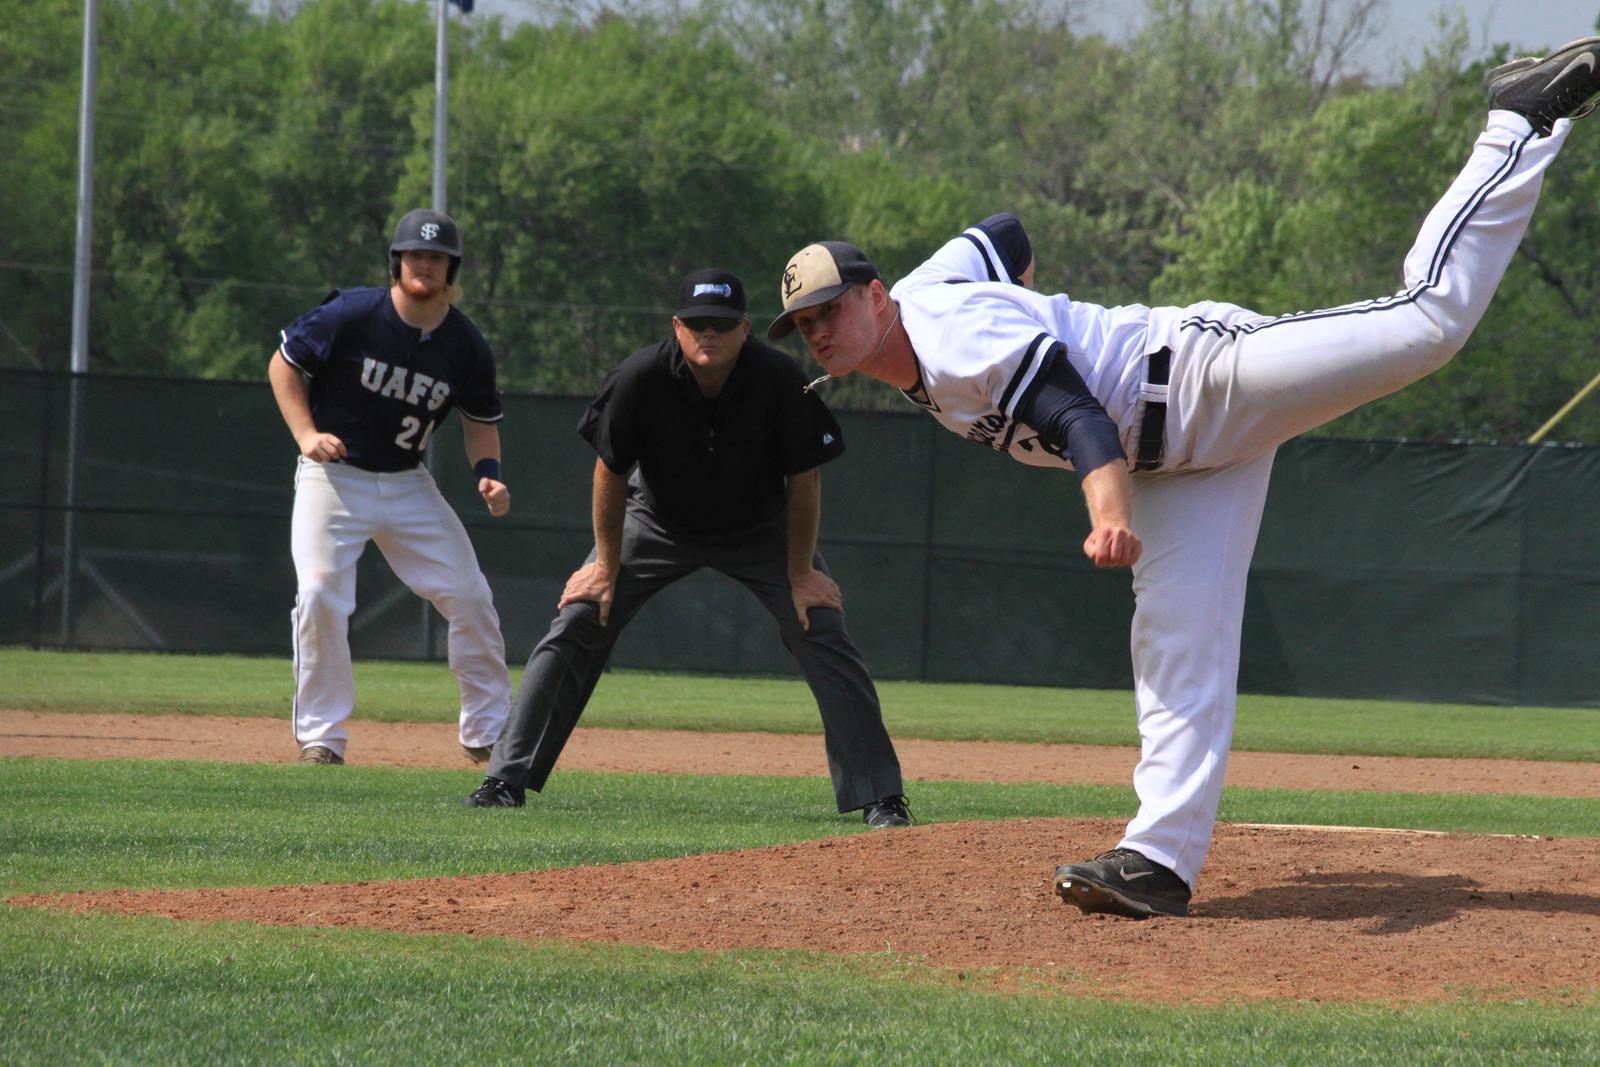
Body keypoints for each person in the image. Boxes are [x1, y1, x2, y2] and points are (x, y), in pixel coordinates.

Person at [765, 39, 1600, 916]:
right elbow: (1005, 236)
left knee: (1426, 324)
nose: (818, 331)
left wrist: (1106, 510)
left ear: (875, 295)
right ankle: (1157, 860)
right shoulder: (934, 299)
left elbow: (1078, 416)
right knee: (1176, 645)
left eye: (829, 308)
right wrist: (1035, 305)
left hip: (1203, 378)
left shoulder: (951, 340)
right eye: (803, 325)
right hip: (1182, 462)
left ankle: (1518, 119)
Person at [463, 268, 910, 826]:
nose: (709, 334)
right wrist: (604, 565)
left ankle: (881, 796)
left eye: (722, 324)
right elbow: (610, 470)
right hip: (657, 519)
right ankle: (504, 781)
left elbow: (805, 480)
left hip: (759, 528)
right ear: (676, 327)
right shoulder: (640, 377)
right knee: (580, 615)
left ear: (745, 329)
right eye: (696, 323)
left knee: (820, 624)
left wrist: (801, 573)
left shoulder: (778, 378)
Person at [268, 209, 513, 766]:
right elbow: (283, 365)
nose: (425, 265)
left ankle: (488, 733)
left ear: (451, 270)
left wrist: (489, 474)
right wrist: (306, 434)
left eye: (437, 258)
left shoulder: (466, 345)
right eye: (415, 255)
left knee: (471, 595)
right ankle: (321, 738)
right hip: (334, 479)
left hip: (407, 482)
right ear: (397, 263)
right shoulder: (352, 313)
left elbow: (481, 421)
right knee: (320, 592)